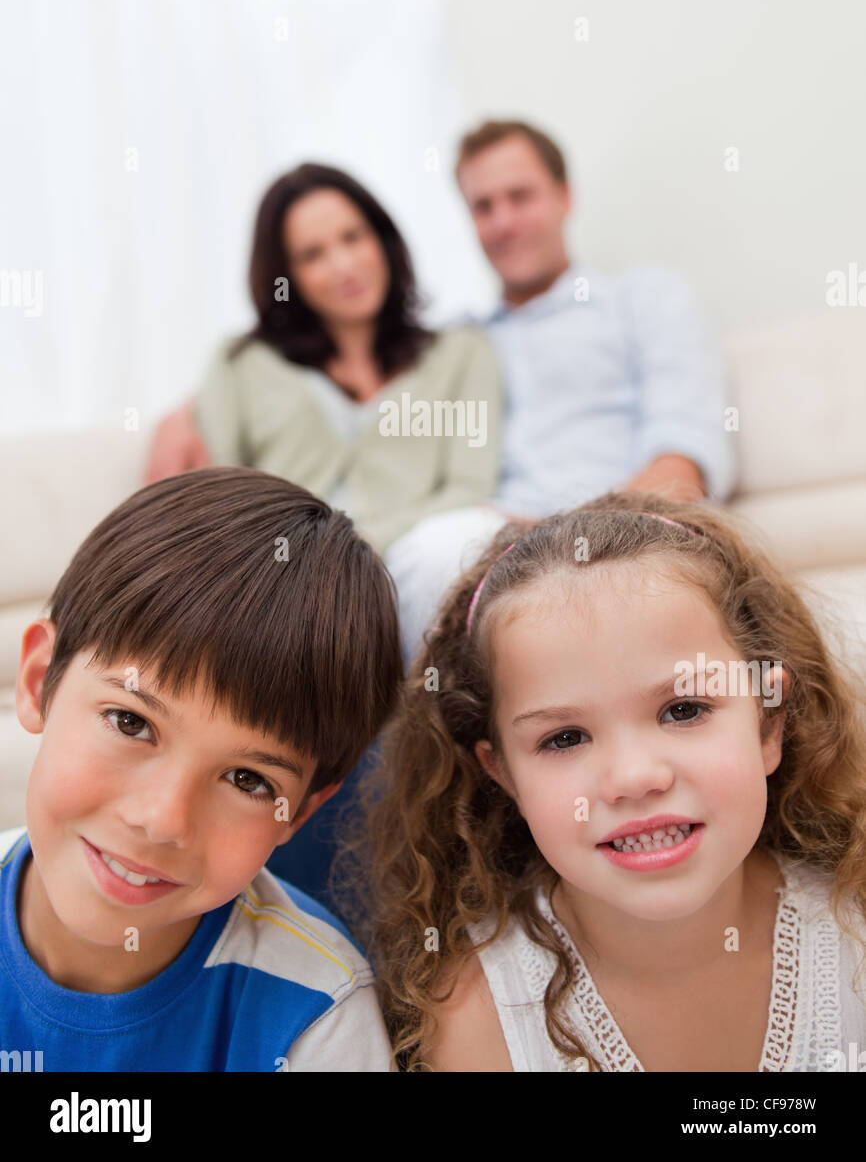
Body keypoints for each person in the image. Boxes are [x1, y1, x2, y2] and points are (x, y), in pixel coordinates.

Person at [352, 490, 866, 1071]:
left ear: (769, 724)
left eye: (683, 710)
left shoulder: (855, 935)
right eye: (564, 738)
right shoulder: (479, 1016)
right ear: (504, 775)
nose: (634, 778)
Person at [1, 467, 401, 1071]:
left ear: (303, 811)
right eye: (131, 722)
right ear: (37, 684)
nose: (162, 820)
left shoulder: (317, 1015)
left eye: (248, 780)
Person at [386, 119, 736, 660]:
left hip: (619, 539)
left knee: (435, 552)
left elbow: (684, 468)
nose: (503, 221)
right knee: (405, 557)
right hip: (480, 547)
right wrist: (208, 405)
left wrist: (556, 532)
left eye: (520, 196)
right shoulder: (456, 343)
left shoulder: (646, 301)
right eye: (483, 206)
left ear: (563, 196)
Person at [145, 162, 502, 556]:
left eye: (353, 237)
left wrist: (363, 546)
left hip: (411, 562)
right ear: (286, 275)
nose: (343, 266)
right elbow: (218, 496)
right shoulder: (240, 363)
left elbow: (469, 490)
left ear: (382, 240)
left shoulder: (463, 353)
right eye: (312, 254)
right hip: (281, 574)